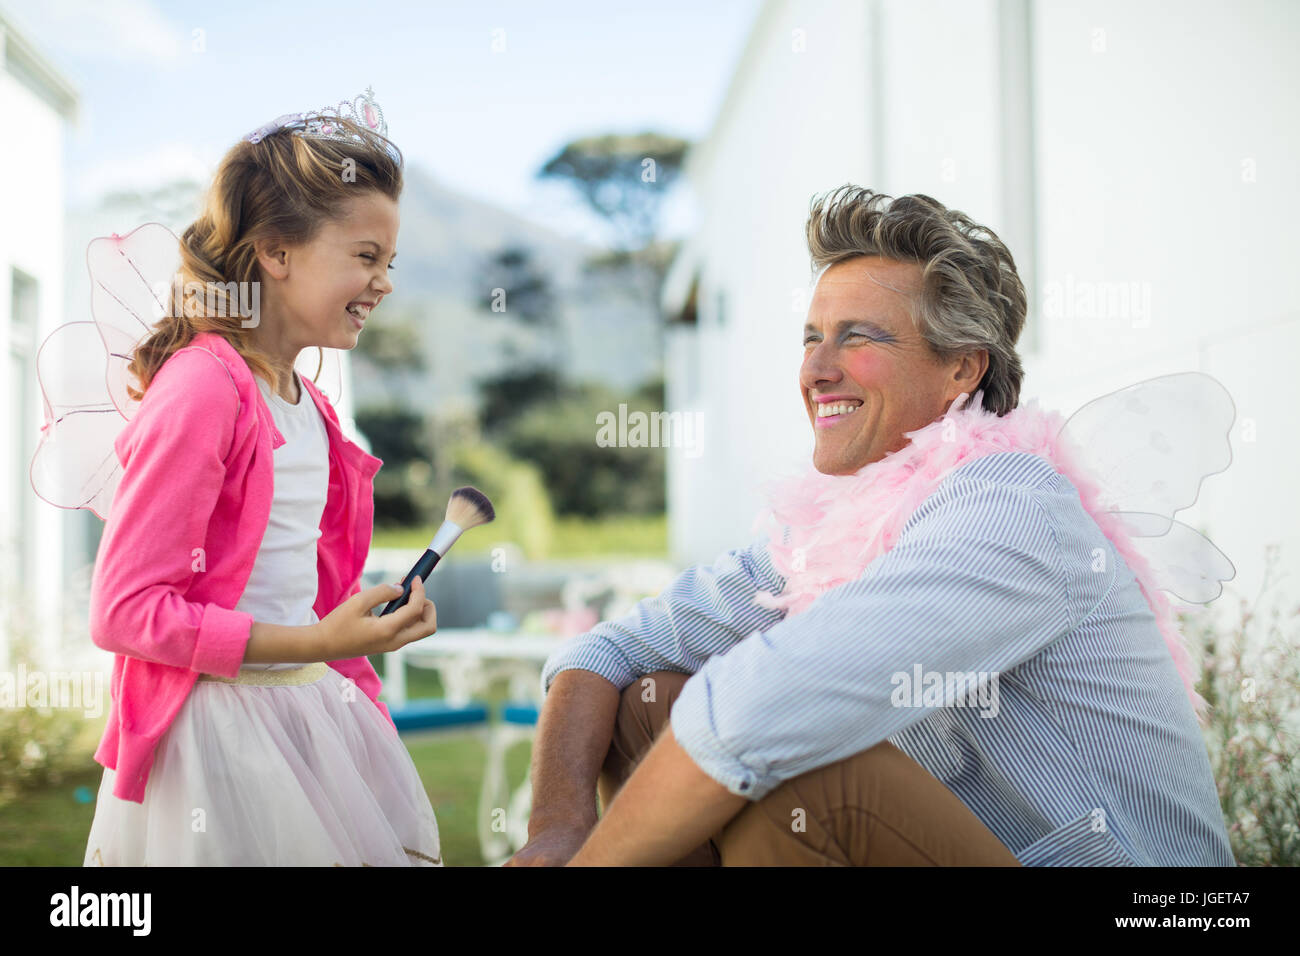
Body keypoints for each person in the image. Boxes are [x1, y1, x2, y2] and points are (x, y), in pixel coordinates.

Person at [509, 186, 1236, 867]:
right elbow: (604, 652)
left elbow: (759, 710)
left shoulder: (1013, 509)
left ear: (962, 369)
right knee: (651, 699)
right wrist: (556, 831)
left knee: (815, 778)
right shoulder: (833, 528)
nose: (817, 370)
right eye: (811, 337)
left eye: (858, 338)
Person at [79, 91, 443, 866]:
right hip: (219, 742)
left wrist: (356, 638)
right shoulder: (204, 387)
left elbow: (300, 589)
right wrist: (315, 638)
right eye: (365, 257)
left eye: (390, 262)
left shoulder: (309, 404)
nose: (383, 283)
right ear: (277, 253)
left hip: (306, 714)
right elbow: (123, 611)